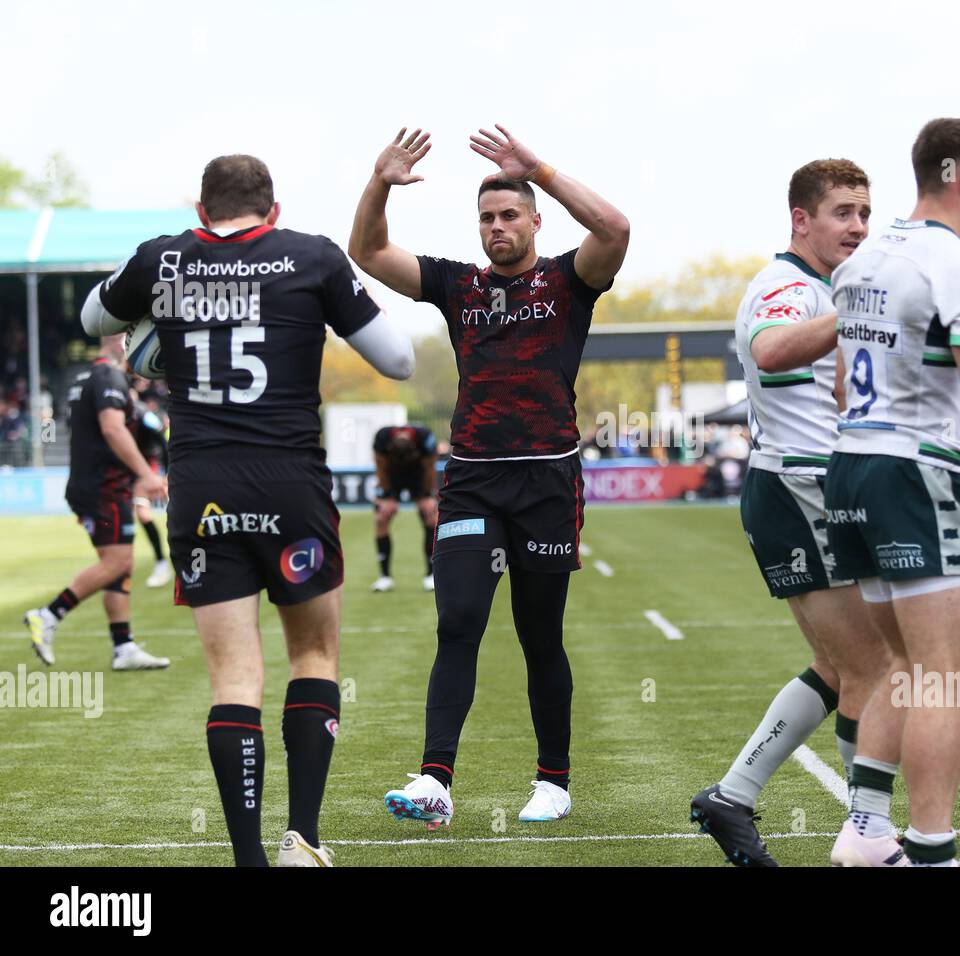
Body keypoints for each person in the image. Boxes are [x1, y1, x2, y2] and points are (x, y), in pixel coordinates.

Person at [80, 154, 414, 867]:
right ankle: (304, 839)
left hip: (201, 487)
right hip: (290, 483)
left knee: (235, 679)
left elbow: (91, 316)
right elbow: (399, 361)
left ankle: (247, 860)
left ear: (201, 212)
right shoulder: (311, 256)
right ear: (276, 210)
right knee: (314, 655)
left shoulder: (163, 259)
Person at [350, 126, 629, 827]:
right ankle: (435, 781)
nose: (497, 226)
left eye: (510, 215)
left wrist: (541, 169)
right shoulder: (457, 284)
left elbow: (616, 228)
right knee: (459, 622)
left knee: (540, 636)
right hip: (472, 479)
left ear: (535, 220)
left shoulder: (568, 279)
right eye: (487, 218)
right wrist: (381, 181)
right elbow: (367, 252)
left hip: (546, 481)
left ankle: (554, 781)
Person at [825, 118, 960, 867]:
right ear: (959, 175)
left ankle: (865, 830)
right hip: (912, 470)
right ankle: (931, 851)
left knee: (903, 664)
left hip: (849, 468)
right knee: (943, 671)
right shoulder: (953, 263)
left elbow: (836, 381)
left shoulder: (861, 261)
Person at [689, 158, 902, 866]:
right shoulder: (786, 285)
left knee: (841, 666)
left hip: (809, 488)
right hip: (801, 488)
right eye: (844, 212)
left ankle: (734, 796)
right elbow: (772, 349)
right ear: (800, 219)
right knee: (878, 666)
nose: (859, 226)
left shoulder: (821, 285)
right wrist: (855, 314)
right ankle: (869, 829)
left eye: (865, 214)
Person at [23, 335, 171, 671]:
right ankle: (47, 615)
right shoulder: (109, 377)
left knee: (121, 564)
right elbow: (112, 429)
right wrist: (144, 475)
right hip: (105, 489)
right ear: (121, 342)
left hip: (96, 487)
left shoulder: (87, 378)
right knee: (117, 563)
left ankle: (124, 647)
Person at [370, 422, 439, 592]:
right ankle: (384, 577)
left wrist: (427, 495)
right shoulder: (382, 436)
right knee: (381, 518)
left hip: (419, 474)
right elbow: (380, 466)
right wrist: (386, 496)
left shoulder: (425, 437)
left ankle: (431, 575)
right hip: (392, 476)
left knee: (431, 517)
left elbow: (430, 467)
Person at [131, 386, 173, 588]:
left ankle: (162, 563)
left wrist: (166, 472)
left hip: (149, 465)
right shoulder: (111, 412)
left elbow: (160, 439)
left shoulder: (142, 412)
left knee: (143, 512)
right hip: (130, 467)